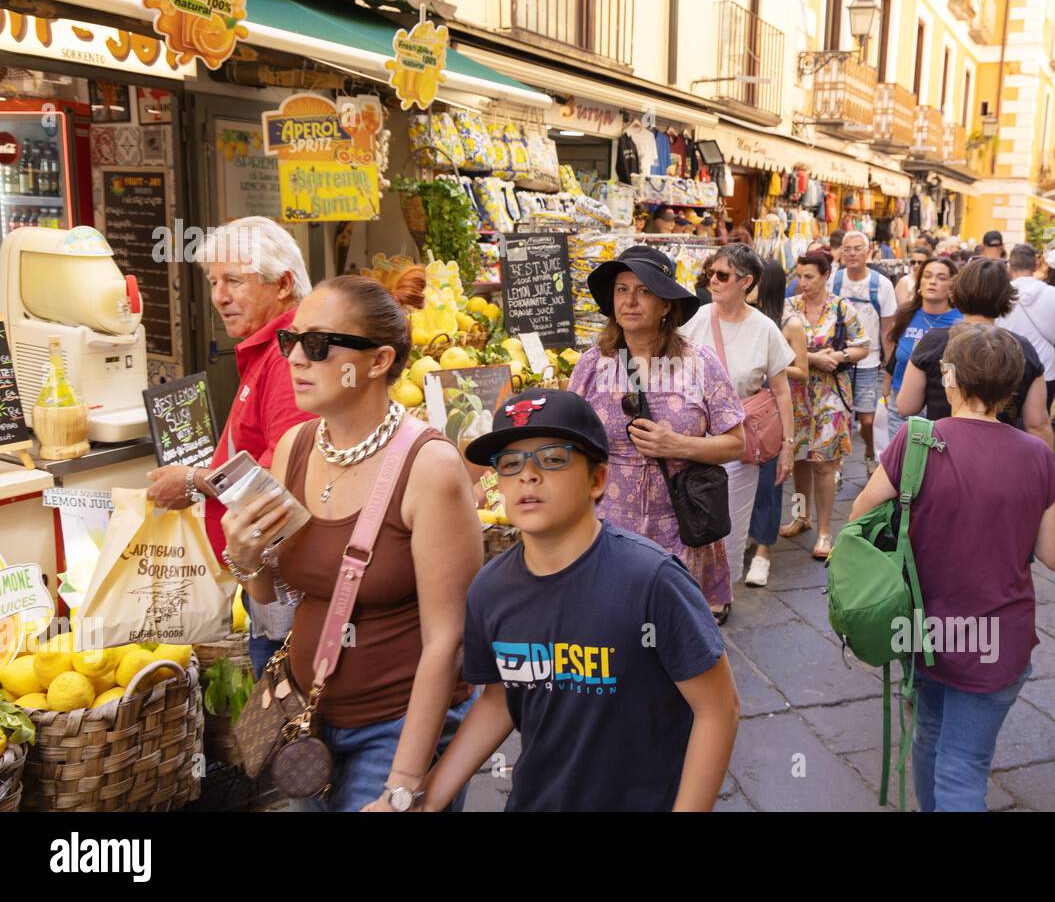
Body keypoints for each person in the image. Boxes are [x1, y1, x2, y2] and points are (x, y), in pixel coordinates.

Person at [222, 270, 482, 812]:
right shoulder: (294, 446)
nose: (295, 358)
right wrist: (250, 566)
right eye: (291, 340)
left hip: (396, 730)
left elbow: (448, 640)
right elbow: (282, 609)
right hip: (308, 724)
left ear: (378, 361)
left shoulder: (429, 467)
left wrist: (404, 784)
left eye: (317, 345)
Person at [416, 389, 740, 811]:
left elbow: (718, 709)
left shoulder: (651, 581)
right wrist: (426, 797)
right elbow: (499, 699)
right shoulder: (489, 590)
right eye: (510, 464)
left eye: (552, 458)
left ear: (597, 480)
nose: (527, 477)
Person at [849, 323, 1055, 811]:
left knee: (930, 737)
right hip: (998, 635)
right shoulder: (1037, 455)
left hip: (924, 629)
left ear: (948, 377)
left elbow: (859, 515)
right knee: (962, 767)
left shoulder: (917, 440)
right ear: (1013, 388)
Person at [147, 216, 315, 679]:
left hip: (287, 590)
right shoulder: (268, 349)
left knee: (290, 726)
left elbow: (287, 477)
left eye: (234, 281)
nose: (220, 296)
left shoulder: (287, 358)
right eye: (214, 281)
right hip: (268, 576)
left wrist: (194, 481)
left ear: (282, 284)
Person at [569, 246, 745, 622]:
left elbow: (736, 443)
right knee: (620, 637)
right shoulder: (592, 364)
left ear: (666, 305)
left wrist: (678, 445)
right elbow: (572, 442)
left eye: (644, 290)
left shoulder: (699, 362)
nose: (630, 300)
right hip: (612, 530)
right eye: (621, 289)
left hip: (682, 531)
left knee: (679, 640)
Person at [681, 244, 797, 601]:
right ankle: (689, 591)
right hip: (694, 434)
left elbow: (781, 391)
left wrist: (788, 447)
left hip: (741, 435)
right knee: (690, 516)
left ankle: (720, 595)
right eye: (710, 273)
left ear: (746, 282)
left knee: (732, 521)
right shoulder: (695, 319)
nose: (712, 281)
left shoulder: (764, 328)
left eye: (722, 275)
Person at [898, 257, 1053, 447]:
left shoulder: (932, 341)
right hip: (1001, 452)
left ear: (957, 292)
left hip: (942, 448)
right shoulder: (1021, 347)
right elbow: (1037, 424)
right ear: (1005, 296)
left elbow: (906, 405)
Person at [777, 249, 868, 560]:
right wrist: (814, 358)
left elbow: (863, 347)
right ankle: (801, 516)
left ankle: (825, 530)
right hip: (795, 393)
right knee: (800, 458)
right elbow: (776, 347)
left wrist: (840, 357)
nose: (803, 283)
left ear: (826, 275)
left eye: (810, 277)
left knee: (824, 464)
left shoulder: (842, 308)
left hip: (831, 394)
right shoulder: (788, 308)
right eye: (799, 276)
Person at [745, 257, 809, 587]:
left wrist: (773, 367)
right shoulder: (743, 318)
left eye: (750, 280)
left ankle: (762, 551)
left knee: (770, 481)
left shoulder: (789, 323)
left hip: (773, 408)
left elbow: (802, 370)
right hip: (743, 407)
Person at [832, 229, 898, 472]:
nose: (852, 253)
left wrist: (888, 370)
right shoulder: (835, 280)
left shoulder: (882, 285)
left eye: (857, 248)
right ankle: (837, 466)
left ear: (868, 251)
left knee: (867, 420)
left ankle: (870, 452)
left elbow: (888, 331)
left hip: (869, 362)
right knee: (840, 417)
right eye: (847, 248)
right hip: (840, 359)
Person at [883, 257, 961, 441]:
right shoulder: (906, 314)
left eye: (941, 278)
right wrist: (886, 386)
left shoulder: (961, 321)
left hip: (941, 407)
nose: (933, 281)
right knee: (899, 463)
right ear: (919, 282)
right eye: (927, 276)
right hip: (900, 402)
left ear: (952, 285)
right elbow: (897, 352)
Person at [997, 243, 1055, 406]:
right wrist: (1050, 335)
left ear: (1009, 266)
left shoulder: (1000, 293)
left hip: (1006, 371)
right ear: (1036, 265)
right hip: (1045, 371)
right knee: (1038, 426)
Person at [893, 243, 932, 309]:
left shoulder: (931, 281)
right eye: (913, 262)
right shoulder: (905, 281)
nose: (916, 265)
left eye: (920, 262)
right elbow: (902, 309)